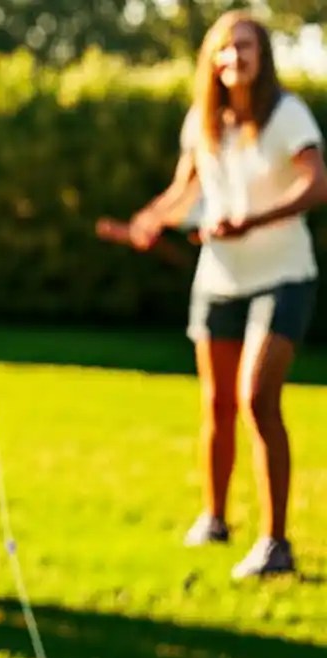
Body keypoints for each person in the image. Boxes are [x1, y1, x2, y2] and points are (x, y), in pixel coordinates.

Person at [118, 11, 327, 578]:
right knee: (216, 404)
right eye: (226, 47)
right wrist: (148, 221)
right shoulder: (203, 121)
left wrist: (251, 221)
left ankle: (275, 544)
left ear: (263, 56)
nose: (235, 56)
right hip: (218, 281)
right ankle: (214, 519)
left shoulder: (287, 114)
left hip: (283, 277)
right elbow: (186, 190)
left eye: (246, 46)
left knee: (257, 398)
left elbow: (317, 184)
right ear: (212, 58)